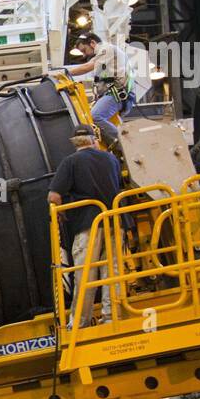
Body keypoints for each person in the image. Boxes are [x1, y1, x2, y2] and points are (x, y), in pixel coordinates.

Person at [48, 124, 122, 327]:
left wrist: (63, 214)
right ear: (93, 140)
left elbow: (54, 196)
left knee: (86, 273)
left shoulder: (70, 162)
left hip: (87, 223)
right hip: (116, 221)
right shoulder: (111, 159)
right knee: (112, 271)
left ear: (75, 143)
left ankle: (80, 321)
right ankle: (111, 317)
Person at [59, 32, 151, 147]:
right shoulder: (104, 54)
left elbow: (87, 67)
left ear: (92, 43)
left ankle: (126, 146)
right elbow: (89, 64)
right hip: (116, 95)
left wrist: (61, 73)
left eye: (84, 50)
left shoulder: (107, 49)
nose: (83, 54)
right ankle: (118, 146)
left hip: (116, 95)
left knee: (95, 116)